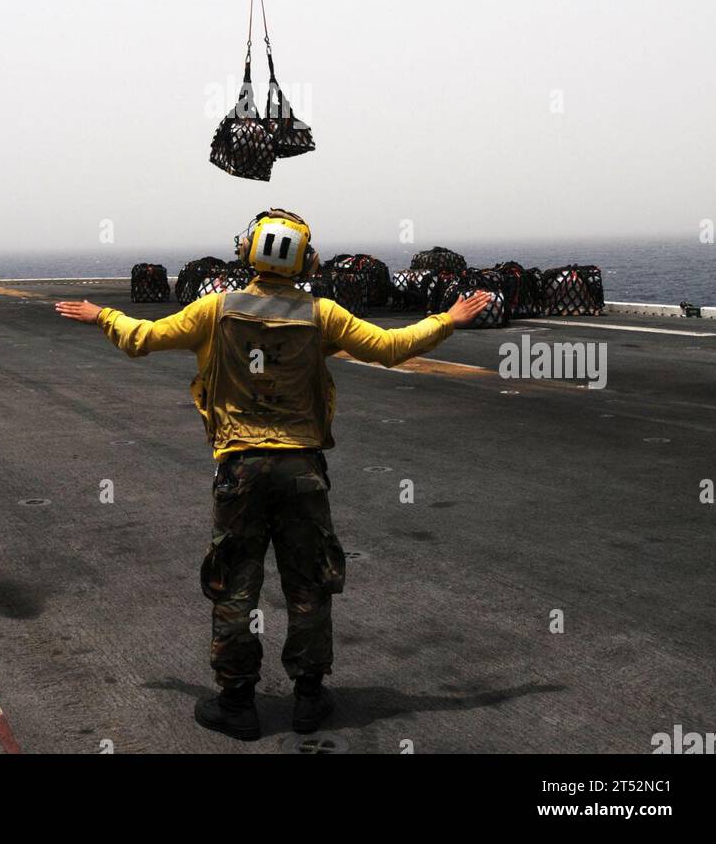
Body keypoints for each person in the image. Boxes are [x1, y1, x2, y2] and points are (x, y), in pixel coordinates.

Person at [56, 209, 490, 742]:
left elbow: (142, 338)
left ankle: (237, 702)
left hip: (240, 468)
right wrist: (448, 319)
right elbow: (391, 348)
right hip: (302, 468)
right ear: (305, 261)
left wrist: (103, 316)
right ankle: (309, 697)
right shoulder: (321, 314)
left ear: (247, 253)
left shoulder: (214, 310)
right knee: (308, 583)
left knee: (235, 584)